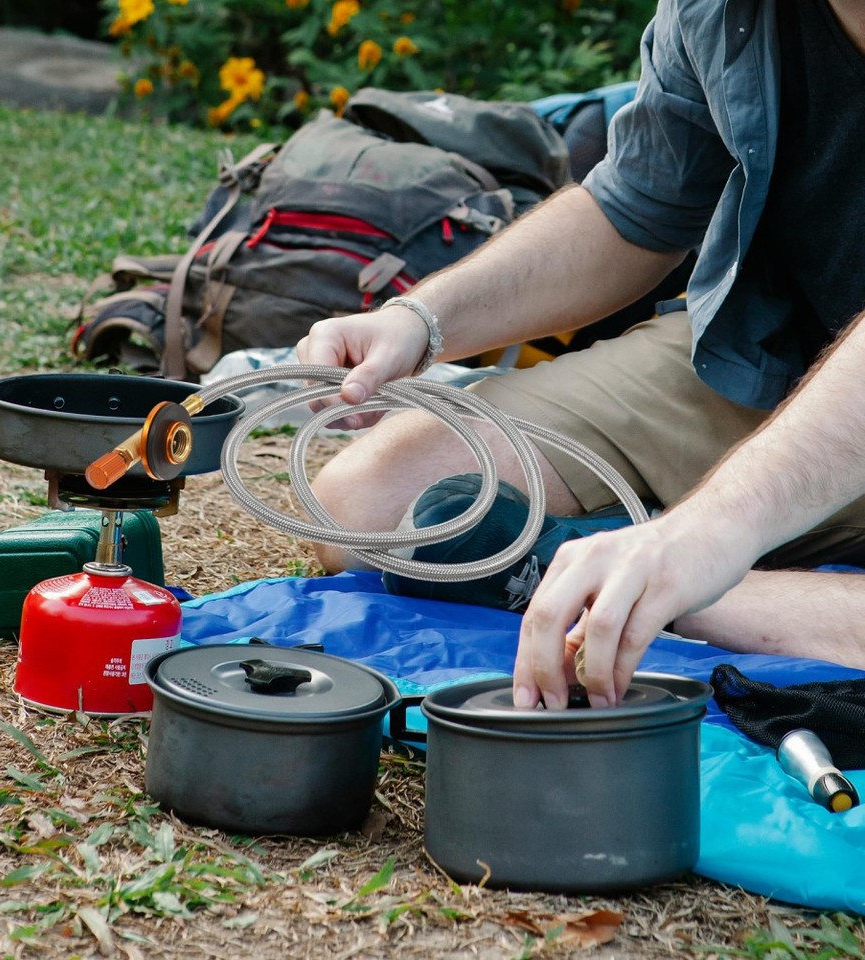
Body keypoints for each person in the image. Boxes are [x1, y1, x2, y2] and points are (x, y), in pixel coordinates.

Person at [296, 0, 865, 708]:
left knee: (689, 553)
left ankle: (671, 592)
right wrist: (423, 319)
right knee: (375, 508)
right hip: (763, 354)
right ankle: (652, 573)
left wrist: (703, 539)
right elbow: (635, 209)